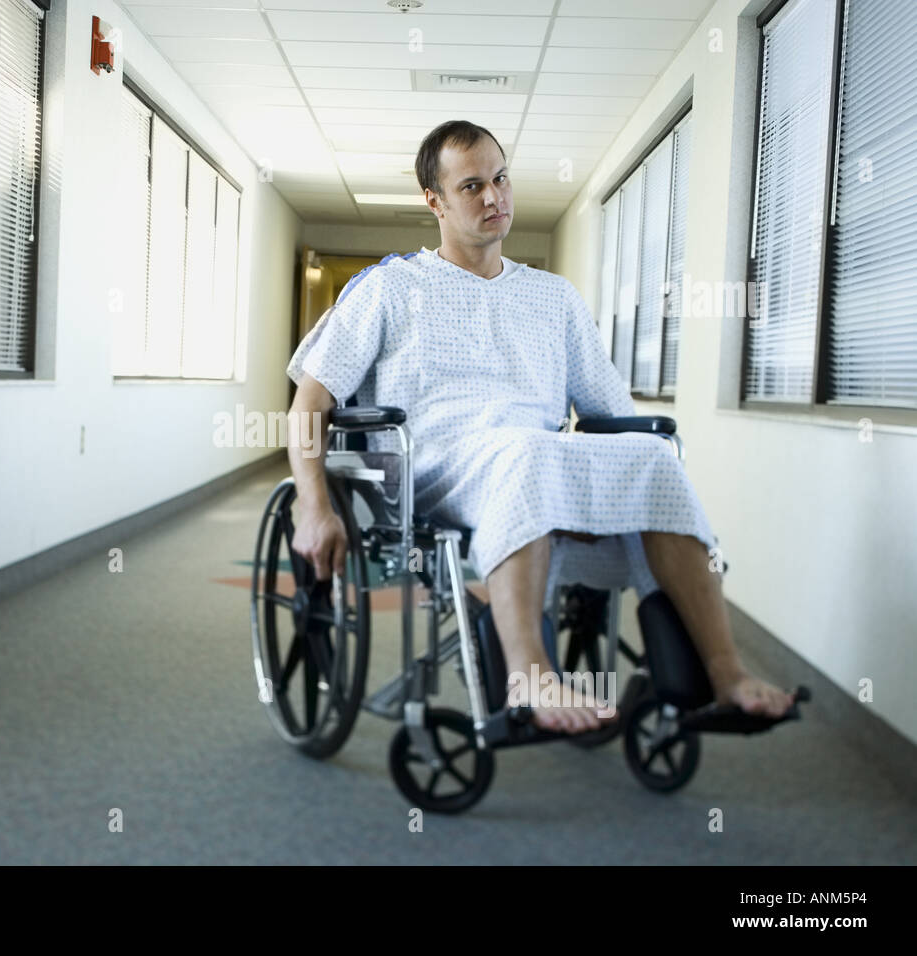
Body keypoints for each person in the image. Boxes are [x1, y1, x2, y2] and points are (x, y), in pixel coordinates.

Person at [284, 120, 795, 734]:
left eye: (500, 179)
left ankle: (725, 673)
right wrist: (314, 505)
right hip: (436, 469)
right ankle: (530, 676)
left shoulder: (554, 298)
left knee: (654, 457)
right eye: (471, 186)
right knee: (529, 452)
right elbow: (309, 404)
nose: (494, 198)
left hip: (534, 459)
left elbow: (615, 416)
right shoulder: (390, 288)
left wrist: (621, 468)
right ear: (435, 201)